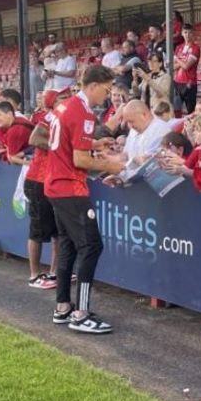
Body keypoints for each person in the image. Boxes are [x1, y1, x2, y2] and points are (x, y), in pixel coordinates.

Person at [46, 65, 125, 334]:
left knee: (68, 245)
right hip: (70, 187)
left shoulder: (65, 107)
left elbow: (67, 142)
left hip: (56, 184)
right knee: (91, 246)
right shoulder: (84, 112)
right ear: (93, 86)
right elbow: (79, 160)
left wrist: (95, 145)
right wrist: (113, 167)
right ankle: (81, 314)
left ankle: (63, 307)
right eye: (106, 89)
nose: (107, 95)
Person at [25, 87, 71, 290]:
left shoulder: (65, 117)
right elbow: (34, 139)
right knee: (37, 230)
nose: (68, 99)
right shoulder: (49, 117)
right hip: (38, 180)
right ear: (53, 101)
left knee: (58, 232)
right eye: (63, 97)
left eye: (69, 96)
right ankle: (34, 275)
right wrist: (57, 146)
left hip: (54, 180)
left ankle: (55, 273)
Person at [0, 101, 35, 166]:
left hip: (36, 161)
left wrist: (30, 164)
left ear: (9, 114)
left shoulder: (15, 131)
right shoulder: (18, 119)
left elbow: (11, 159)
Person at [174, 24, 201, 114]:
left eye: (190, 33)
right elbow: (173, 67)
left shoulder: (196, 48)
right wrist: (183, 61)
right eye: (185, 32)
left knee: (191, 111)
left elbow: (186, 66)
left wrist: (177, 59)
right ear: (182, 33)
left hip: (189, 83)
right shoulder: (178, 48)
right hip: (177, 82)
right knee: (176, 110)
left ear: (193, 34)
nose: (187, 35)